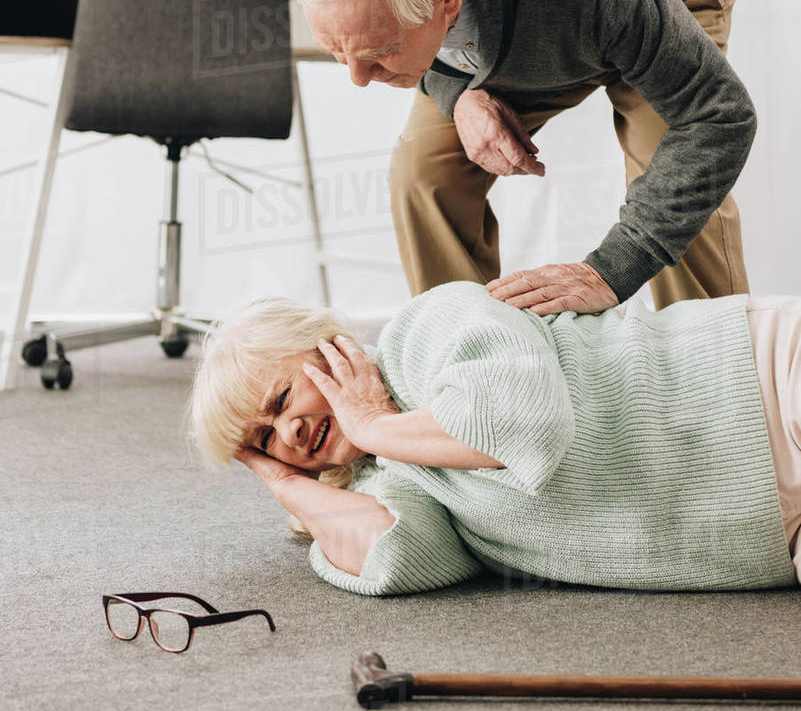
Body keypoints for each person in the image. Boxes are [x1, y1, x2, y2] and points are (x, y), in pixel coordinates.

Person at [289, 0, 755, 317]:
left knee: (678, 172)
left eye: (379, 54)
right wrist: (459, 95)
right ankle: (470, 356)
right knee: (423, 176)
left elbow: (717, 118)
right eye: (338, 52)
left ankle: (720, 362)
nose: (358, 80)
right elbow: (383, 37)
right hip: (531, 15)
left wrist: (609, 272)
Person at [188, 282, 801, 597]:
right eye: (264, 440)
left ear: (326, 341)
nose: (288, 433)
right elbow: (393, 556)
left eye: (280, 401)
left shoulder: (427, 328)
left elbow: (523, 424)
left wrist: (374, 425)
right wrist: (284, 481)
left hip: (761, 380)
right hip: (773, 537)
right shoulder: (386, 477)